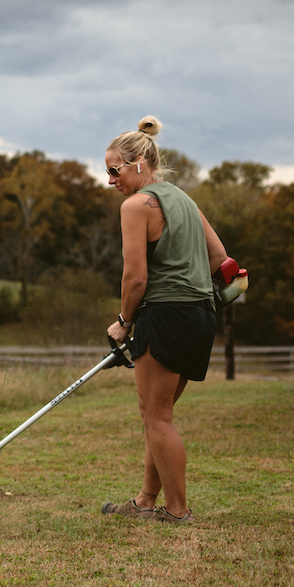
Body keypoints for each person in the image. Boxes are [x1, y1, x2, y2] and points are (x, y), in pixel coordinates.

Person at [99, 116, 229, 525]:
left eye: (113, 170)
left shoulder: (136, 206)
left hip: (166, 315)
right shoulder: (185, 201)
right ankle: (144, 501)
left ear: (139, 163)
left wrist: (124, 320)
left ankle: (177, 511)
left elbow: (135, 277)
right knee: (159, 413)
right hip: (201, 315)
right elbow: (219, 257)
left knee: (156, 417)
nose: (109, 179)